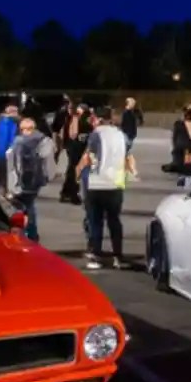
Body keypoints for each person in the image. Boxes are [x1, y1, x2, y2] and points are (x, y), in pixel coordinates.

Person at [77, 107, 136, 270]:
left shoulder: (96, 135)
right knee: (114, 220)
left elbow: (90, 157)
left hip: (97, 182)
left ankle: (96, 256)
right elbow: (127, 155)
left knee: (95, 220)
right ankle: (118, 256)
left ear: (98, 119)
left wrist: (80, 173)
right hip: (116, 183)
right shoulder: (122, 135)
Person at [5, 117, 56, 242]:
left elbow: (16, 165)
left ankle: (22, 234)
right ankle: (32, 234)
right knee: (30, 206)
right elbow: (48, 159)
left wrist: (13, 184)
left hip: (20, 181)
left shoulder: (19, 142)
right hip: (36, 181)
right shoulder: (43, 140)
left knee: (19, 208)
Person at [59, 103, 91, 204]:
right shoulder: (76, 119)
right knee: (74, 171)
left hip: (75, 147)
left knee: (71, 171)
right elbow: (73, 135)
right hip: (76, 148)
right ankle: (72, 194)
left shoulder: (76, 119)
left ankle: (66, 193)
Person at [0, 104, 19, 190]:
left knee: (4, 166)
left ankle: (2, 183)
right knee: (10, 167)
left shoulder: (2, 120)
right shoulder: (11, 122)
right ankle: (4, 185)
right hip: (8, 149)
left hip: (3, 149)